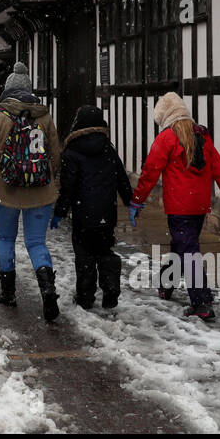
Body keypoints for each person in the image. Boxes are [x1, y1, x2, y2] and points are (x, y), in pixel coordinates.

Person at [129, 92, 220, 322]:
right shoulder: (202, 136)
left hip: (179, 206)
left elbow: (150, 173)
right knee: (182, 244)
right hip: (199, 206)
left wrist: (137, 201)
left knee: (188, 250)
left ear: (164, 117)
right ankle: (166, 285)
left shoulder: (166, 139)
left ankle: (201, 302)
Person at [0, 61, 63, 322]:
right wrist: (53, 184)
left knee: (6, 240)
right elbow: (55, 156)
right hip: (40, 191)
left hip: (6, 190)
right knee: (36, 243)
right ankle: (48, 290)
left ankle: (8, 293)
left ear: (6, 91)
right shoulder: (44, 116)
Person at [54, 105, 132, 310]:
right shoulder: (108, 148)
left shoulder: (72, 151)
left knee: (84, 254)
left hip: (83, 214)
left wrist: (59, 212)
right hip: (107, 211)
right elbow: (122, 178)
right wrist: (130, 202)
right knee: (104, 249)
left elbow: (67, 187)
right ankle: (110, 287)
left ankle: (86, 297)